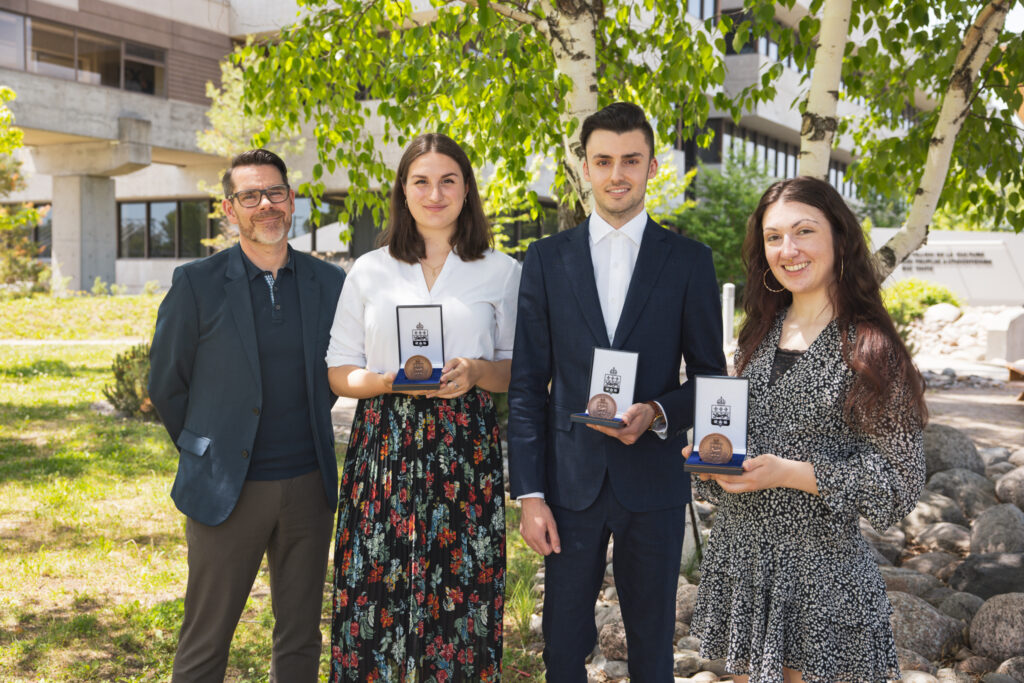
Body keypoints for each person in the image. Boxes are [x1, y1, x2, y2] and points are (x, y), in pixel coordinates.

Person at [508, 102, 727, 681]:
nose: (617, 174)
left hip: (652, 483)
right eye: (603, 160)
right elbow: (527, 385)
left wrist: (657, 410)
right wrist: (529, 494)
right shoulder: (545, 260)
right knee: (560, 647)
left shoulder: (689, 261)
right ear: (584, 167)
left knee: (653, 650)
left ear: (653, 166)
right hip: (567, 486)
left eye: (631, 160)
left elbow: (711, 378)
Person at [687, 176, 927, 682]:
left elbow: (899, 485)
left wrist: (791, 473)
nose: (787, 250)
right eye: (774, 237)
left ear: (839, 238)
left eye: (803, 232)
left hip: (820, 579)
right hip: (743, 567)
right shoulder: (757, 334)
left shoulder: (869, 350)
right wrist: (709, 459)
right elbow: (743, 446)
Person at [325, 133, 520, 681]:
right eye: (421, 181)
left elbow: (516, 370)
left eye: (447, 180)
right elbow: (339, 370)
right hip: (383, 444)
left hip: (465, 449)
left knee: (462, 598)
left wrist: (478, 372)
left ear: (466, 190)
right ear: (403, 192)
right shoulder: (368, 269)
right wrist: (385, 382)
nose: (435, 193)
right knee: (373, 595)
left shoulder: (501, 270)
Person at [148, 148, 346, 682]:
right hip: (225, 490)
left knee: (301, 636)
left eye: (275, 193)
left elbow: (339, 370)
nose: (266, 204)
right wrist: (207, 448)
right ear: (229, 208)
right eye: (250, 195)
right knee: (206, 639)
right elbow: (167, 384)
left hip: (309, 486)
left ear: (293, 200)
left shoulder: (329, 285)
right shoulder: (197, 283)